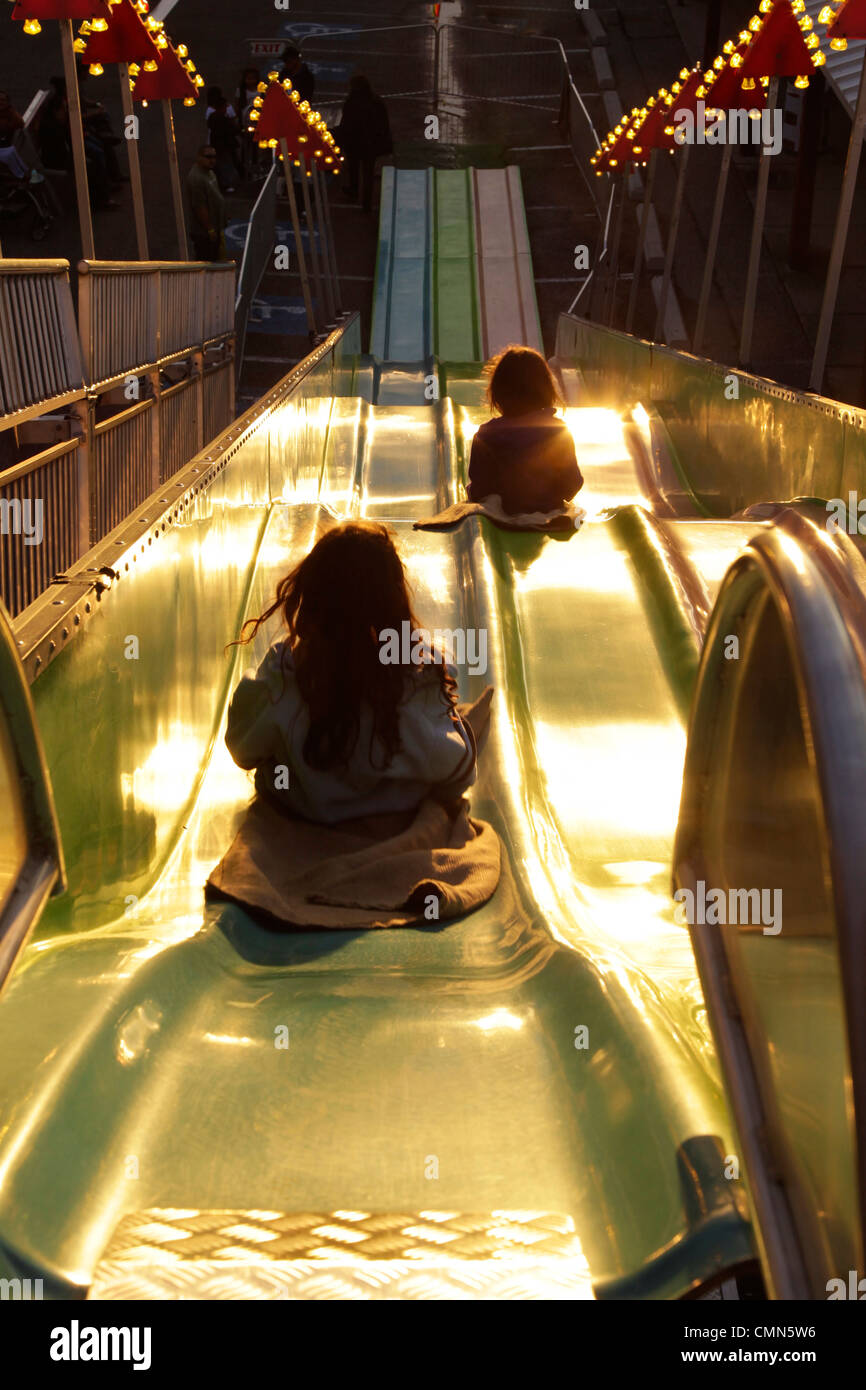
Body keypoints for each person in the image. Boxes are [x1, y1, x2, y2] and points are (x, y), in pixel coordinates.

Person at [225, 521, 477, 825]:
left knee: (277, 765)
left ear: (309, 605)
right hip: (394, 815)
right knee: (447, 715)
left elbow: (241, 748)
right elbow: (458, 773)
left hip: (302, 810)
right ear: (394, 606)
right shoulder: (415, 682)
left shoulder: (284, 680)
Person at [467, 347, 583, 515]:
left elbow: (480, 488)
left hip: (503, 512)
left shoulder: (486, 434)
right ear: (546, 390)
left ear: (498, 392)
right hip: (548, 509)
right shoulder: (558, 432)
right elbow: (573, 482)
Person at [335, 74, 393, 214]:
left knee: (354, 168)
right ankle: (366, 202)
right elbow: (383, 124)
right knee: (368, 173)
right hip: (371, 144)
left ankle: (354, 190)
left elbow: (346, 123)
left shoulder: (352, 102)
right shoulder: (376, 102)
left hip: (355, 143)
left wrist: (341, 137)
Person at [186, 145, 226, 260]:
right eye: (208, 157)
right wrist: (210, 229)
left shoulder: (210, 173)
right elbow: (199, 207)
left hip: (214, 228)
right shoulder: (196, 179)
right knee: (206, 262)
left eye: (214, 157)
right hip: (203, 233)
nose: (212, 160)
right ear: (199, 157)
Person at [207, 96, 240, 193]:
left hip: (216, 145)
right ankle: (226, 185)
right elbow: (232, 130)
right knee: (225, 165)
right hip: (224, 146)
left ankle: (220, 184)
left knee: (219, 165)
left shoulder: (212, 117)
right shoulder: (222, 119)